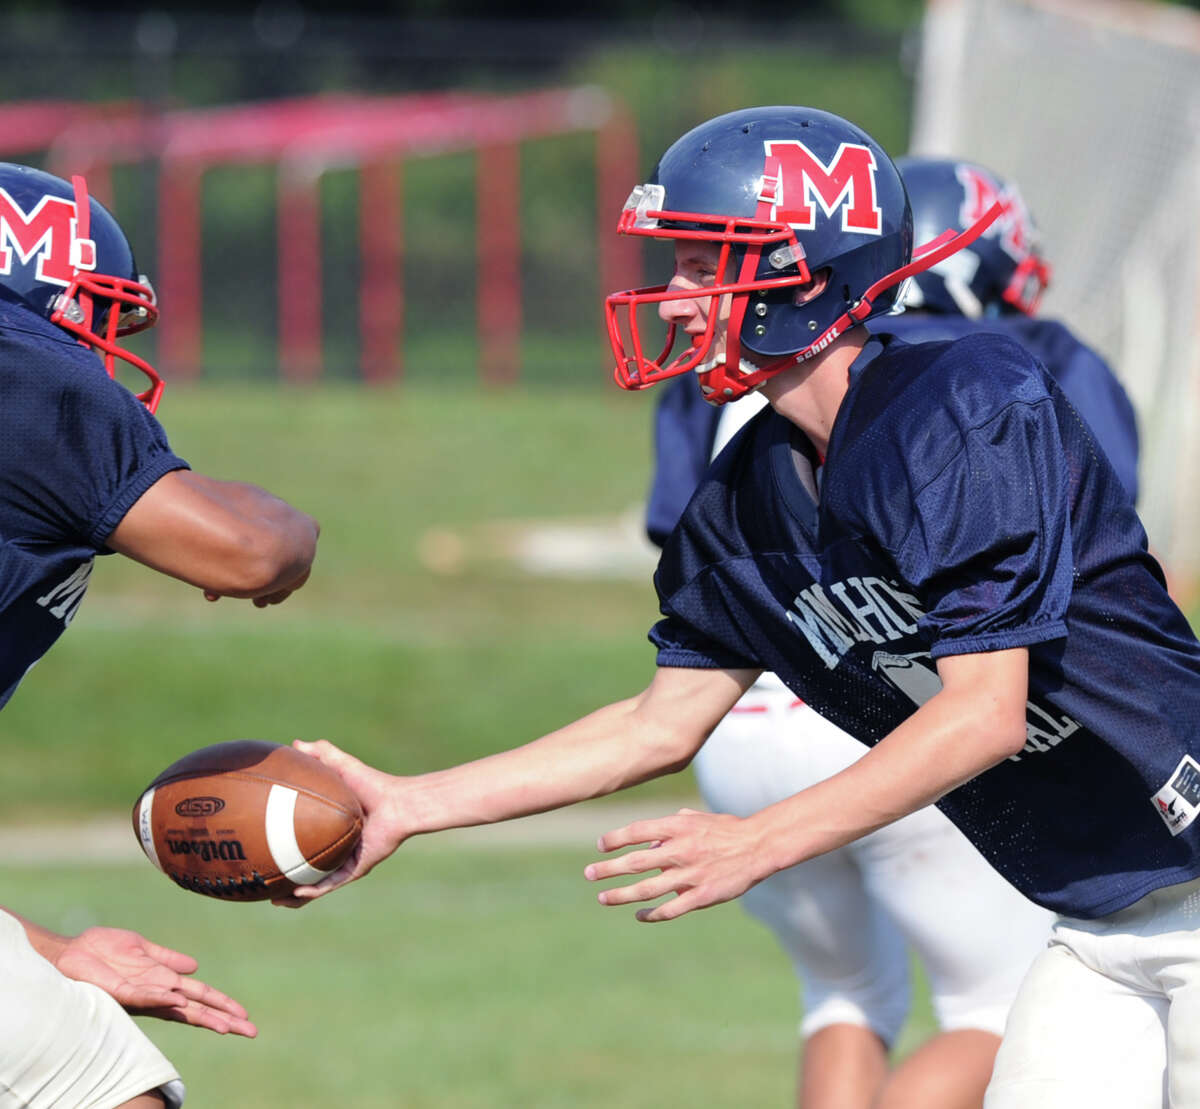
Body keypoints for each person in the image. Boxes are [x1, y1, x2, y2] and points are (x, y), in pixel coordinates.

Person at [284, 108, 1199, 1109]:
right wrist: (410, 803)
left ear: (807, 274)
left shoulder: (958, 403)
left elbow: (987, 709)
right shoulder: (743, 496)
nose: (672, 299)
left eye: (699, 262)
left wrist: (760, 838)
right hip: (1099, 922)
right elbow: (654, 724)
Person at [639, 153, 1142, 1109]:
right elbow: (1093, 546)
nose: (674, 300)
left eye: (701, 269)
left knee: (840, 993)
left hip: (748, 719)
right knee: (994, 1006)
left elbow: (683, 554)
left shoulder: (749, 392)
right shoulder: (1013, 364)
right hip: (893, 696)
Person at [0, 163, 320, 1108]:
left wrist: (50, 949)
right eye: (92, 315)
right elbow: (251, 554)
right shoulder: (18, 364)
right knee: (102, 1085)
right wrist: (300, 526)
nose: (97, 352)